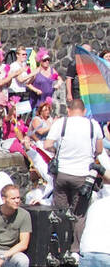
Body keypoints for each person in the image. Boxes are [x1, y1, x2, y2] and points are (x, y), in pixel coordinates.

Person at [44, 99, 105, 255]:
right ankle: (75, 250)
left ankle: (60, 247)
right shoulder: (94, 125)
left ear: (69, 110)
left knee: (60, 211)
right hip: (83, 176)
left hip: (62, 174)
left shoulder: (60, 123)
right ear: (84, 111)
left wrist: (58, 151)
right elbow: (99, 149)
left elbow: (47, 145)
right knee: (79, 214)